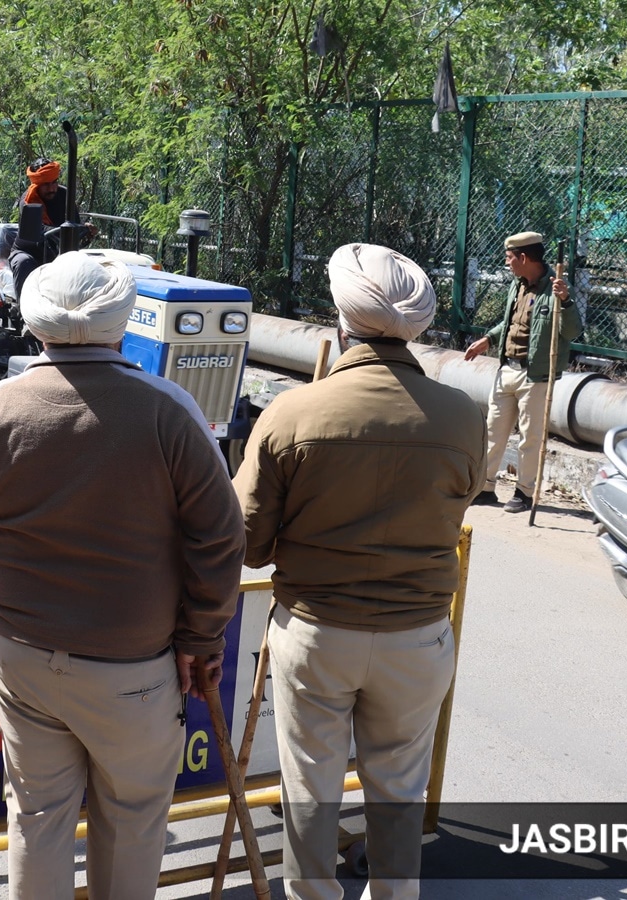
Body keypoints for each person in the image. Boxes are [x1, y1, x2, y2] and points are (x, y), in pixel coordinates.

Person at [0, 253, 244, 900]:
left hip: (24, 659)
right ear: (122, 326)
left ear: (35, 327)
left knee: (37, 820)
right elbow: (220, 535)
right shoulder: (169, 410)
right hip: (135, 675)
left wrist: (2, 563)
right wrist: (200, 637)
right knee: (131, 824)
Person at [235, 244, 484, 900]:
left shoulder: (293, 414)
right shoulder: (463, 416)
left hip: (318, 633)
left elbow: (247, 542)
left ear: (340, 323)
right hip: (419, 635)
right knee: (400, 792)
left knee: (310, 789)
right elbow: (457, 501)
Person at [462, 231, 582, 512]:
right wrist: (488, 340)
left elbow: (573, 332)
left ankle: (525, 493)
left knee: (530, 437)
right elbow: (511, 323)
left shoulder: (558, 288)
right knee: (493, 430)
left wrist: (565, 301)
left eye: (509, 258)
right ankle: (486, 487)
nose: (507, 263)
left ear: (524, 257)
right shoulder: (517, 285)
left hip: (535, 375)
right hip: (507, 369)